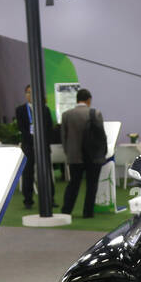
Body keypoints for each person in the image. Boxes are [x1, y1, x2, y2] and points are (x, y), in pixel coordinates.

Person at [60, 87, 108, 219]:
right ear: (89, 100)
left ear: (77, 100)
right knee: (91, 185)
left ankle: (66, 211)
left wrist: (68, 152)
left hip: (74, 156)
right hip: (93, 156)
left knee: (73, 184)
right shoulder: (95, 113)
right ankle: (88, 213)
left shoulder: (66, 115)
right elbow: (101, 136)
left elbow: (63, 137)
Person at [16, 83, 55, 207]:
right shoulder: (20, 110)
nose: (30, 95)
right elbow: (22, 128)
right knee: (28, 173)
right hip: (28, 146)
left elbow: (49, 128)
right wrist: (32, 139)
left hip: (43, 146)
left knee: (46, 172)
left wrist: (41, 140)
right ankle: (28, 200)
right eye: (28, 92)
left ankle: (50, 199)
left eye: (32, 92)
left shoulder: (44, 109)